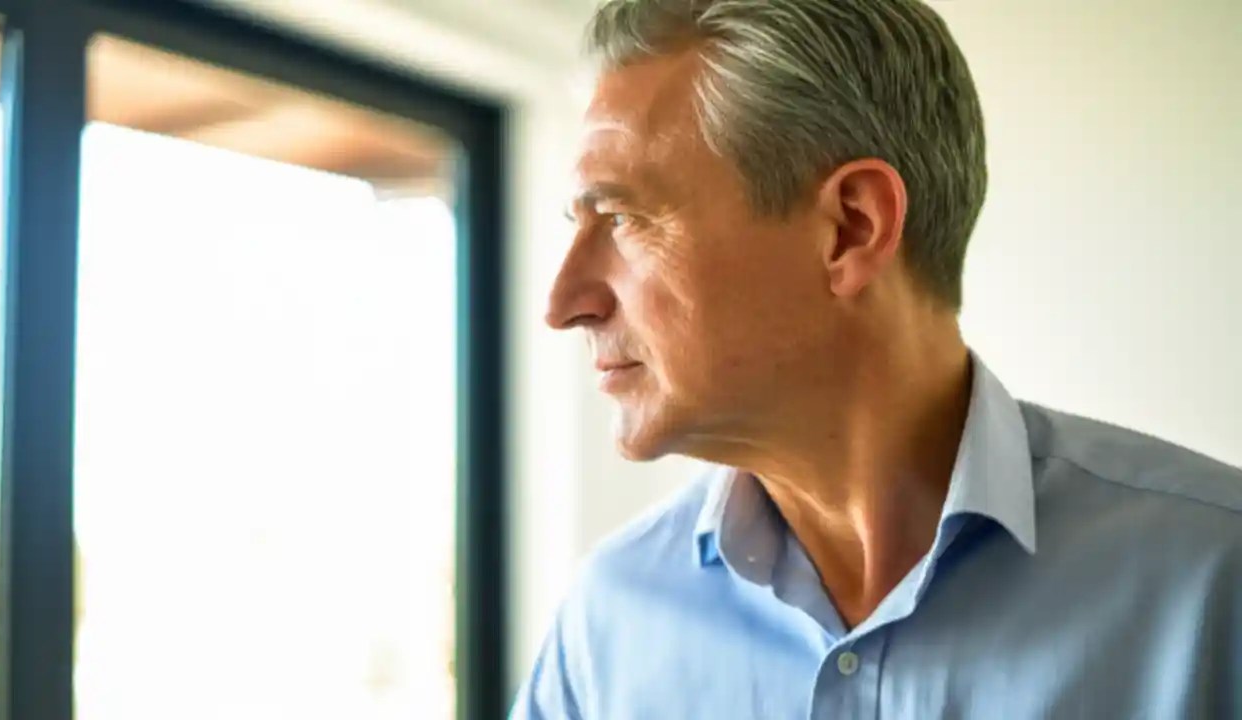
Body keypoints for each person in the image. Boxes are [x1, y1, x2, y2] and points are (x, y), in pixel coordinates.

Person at [513, 0, 1242, 717]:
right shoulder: (608, 624)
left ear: (851, 229)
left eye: (621, 219)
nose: (563, 302)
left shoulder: (1218, 580)